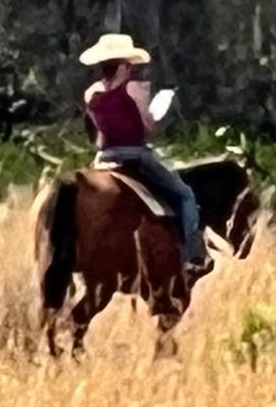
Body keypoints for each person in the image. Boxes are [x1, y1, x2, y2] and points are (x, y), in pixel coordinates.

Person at [79, 32, 208, 272]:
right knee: (185, 195)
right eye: (128, 65)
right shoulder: (135, 90)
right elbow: (147, 126)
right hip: (133, 155)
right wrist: (160, 106)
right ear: (125, 65)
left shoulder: (92, 93)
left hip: (104, 158)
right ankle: (191, 254)